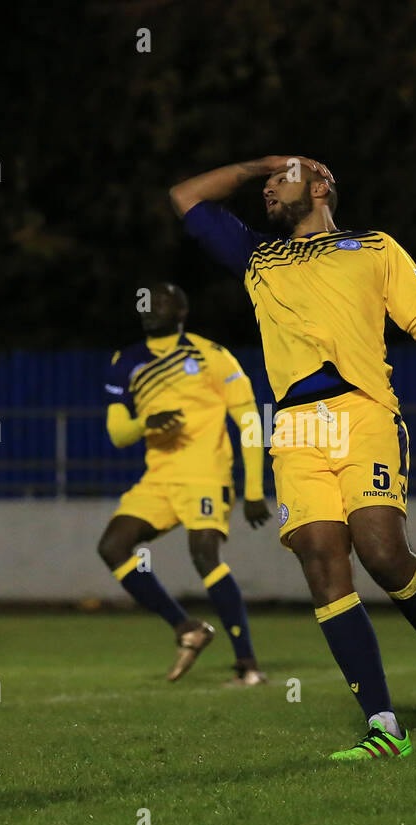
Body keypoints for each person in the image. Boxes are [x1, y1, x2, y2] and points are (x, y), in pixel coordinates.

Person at [171, 155, 416, 759]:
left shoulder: (375, 248)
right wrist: (265, 161)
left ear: (319, 185)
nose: (265, 191)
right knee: (322, 563)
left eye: (277, 181)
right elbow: (184, 195)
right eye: (263, 186)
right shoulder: (258, 256)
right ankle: (385, 727)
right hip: (294, 425)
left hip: (363, 414)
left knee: (384, 553)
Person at [97, 281, 270, 684]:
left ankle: (248, 666)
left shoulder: (211, 355)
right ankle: (186, 627)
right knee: (112, 546)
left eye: (162, 302)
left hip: (206, 474)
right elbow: (117, 433)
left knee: (204, 553)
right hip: (159, 478)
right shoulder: (126, 361)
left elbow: (248, 419)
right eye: (147, 301)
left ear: (181, 313)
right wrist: (145, 423)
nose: (151, 307)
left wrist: (255, 489)